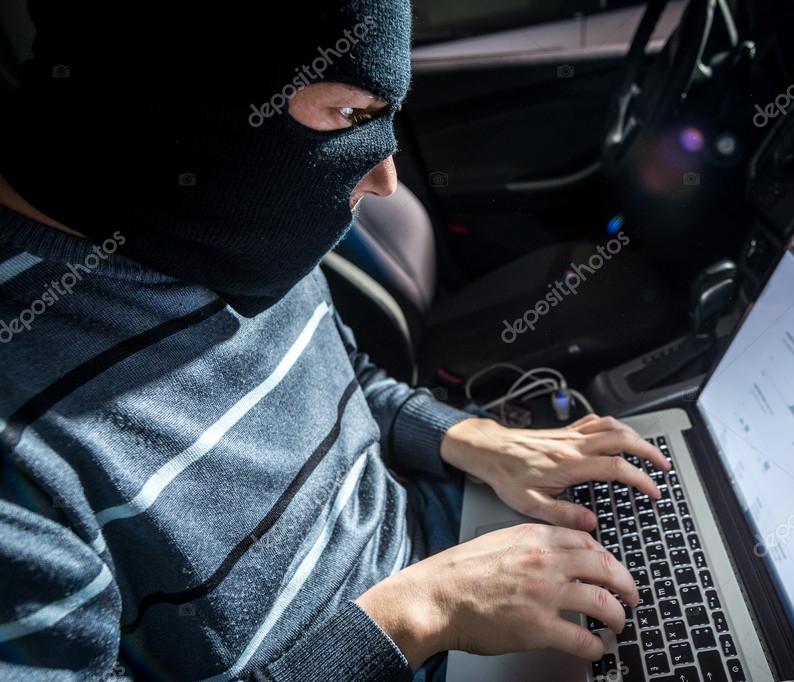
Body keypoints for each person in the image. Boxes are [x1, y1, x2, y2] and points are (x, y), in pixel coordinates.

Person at [0, 1, 671, 680]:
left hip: (454, 551)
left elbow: (344, 380)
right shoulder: (17, 455)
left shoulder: (223, 221)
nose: (386, 179)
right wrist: (419, 614)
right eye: (350, 115)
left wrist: (469, 439)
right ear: (177, 96)